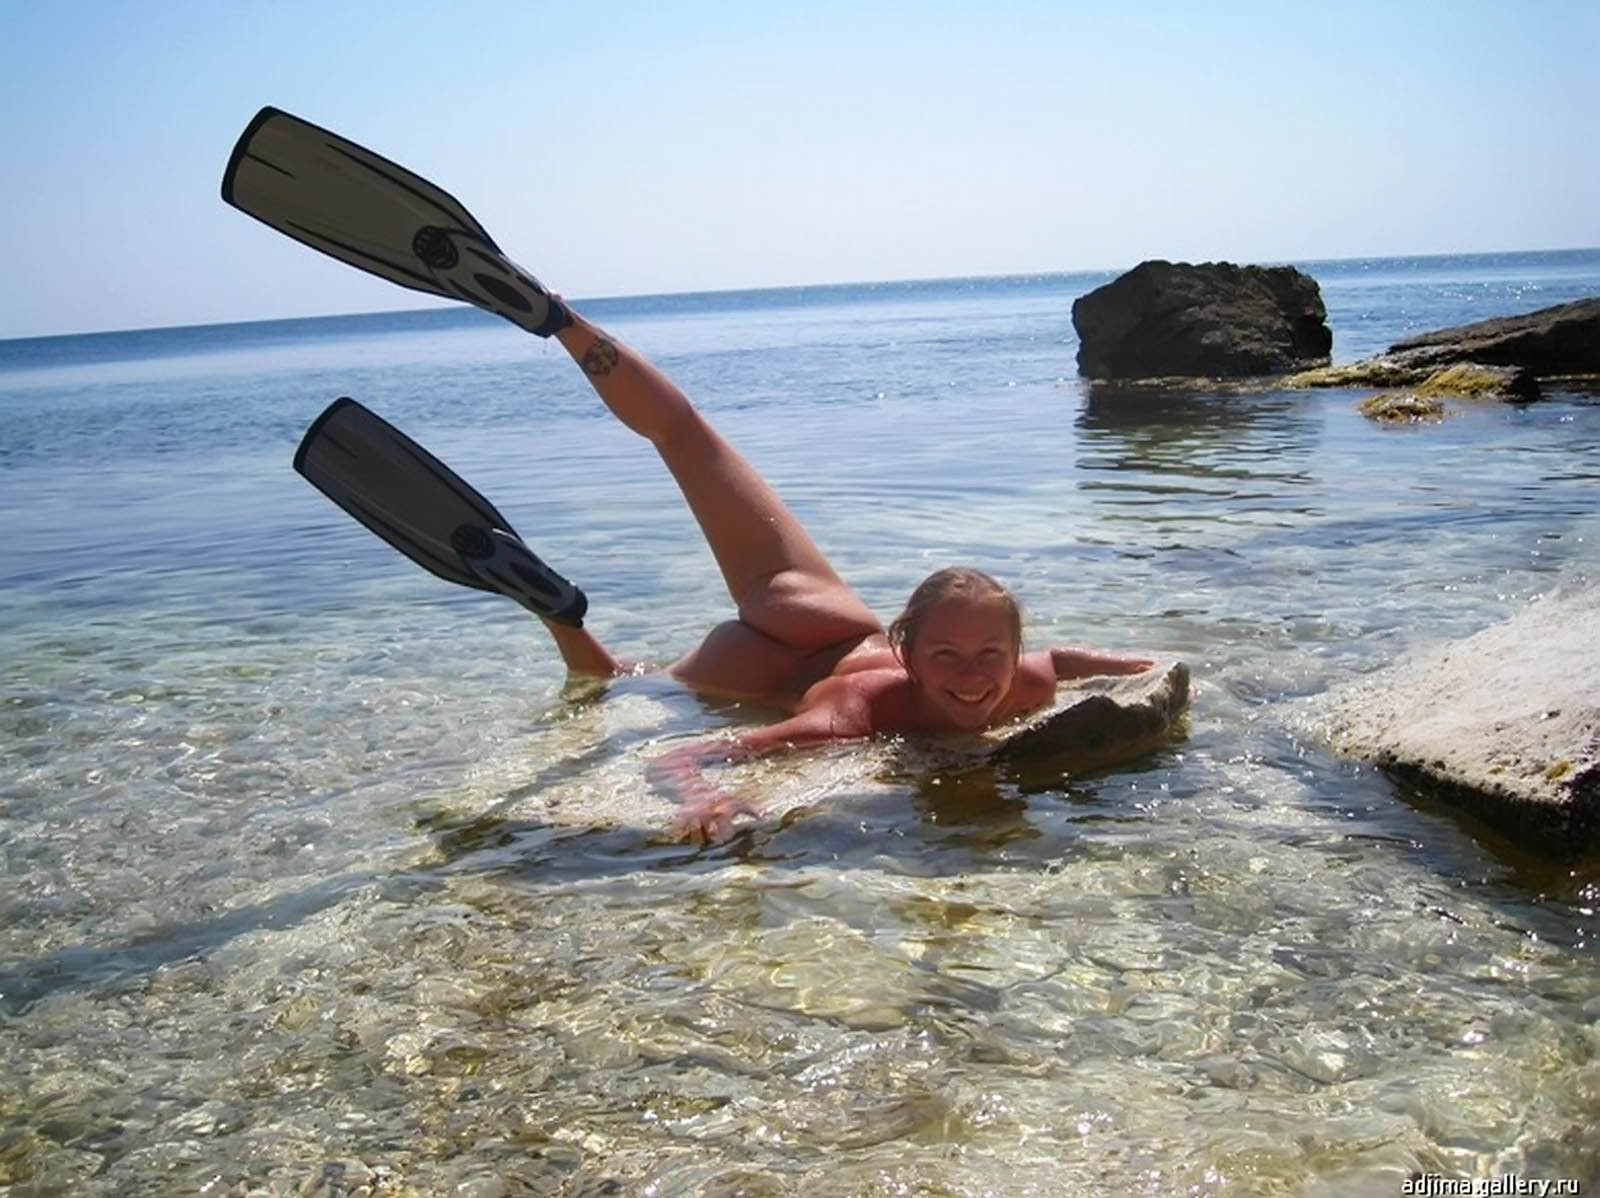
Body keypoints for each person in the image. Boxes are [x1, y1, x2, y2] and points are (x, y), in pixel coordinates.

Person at [535, 305, 1156, 841]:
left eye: (989, 654)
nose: (973, 676)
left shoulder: (1022, 677)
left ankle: (561, 320)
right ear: (907, 652)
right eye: (947, 655)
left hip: (831, 618)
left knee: (687, 437)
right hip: (756, 668)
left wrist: (1142, 667)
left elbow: (1063, 660)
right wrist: (703, 798)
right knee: (622, 681)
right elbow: (677, 760)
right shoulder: (852, 719)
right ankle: (559, 613)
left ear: (1012, 651)